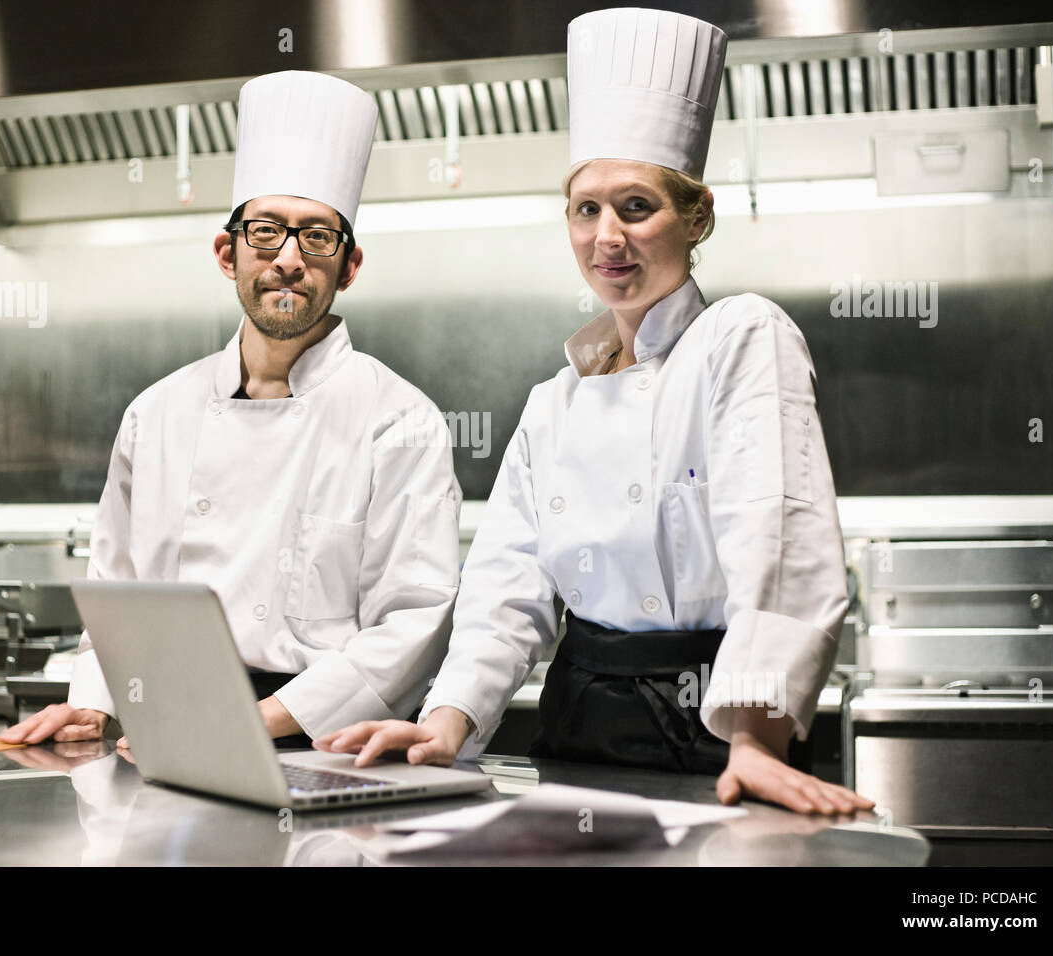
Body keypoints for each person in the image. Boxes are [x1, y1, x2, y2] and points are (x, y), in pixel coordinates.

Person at [315, 8, 875, 816]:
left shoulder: (741, 336)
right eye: (586, 209)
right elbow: (506, 584)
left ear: (697, 216)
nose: (607, 237)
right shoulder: (556, 399)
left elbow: (779, 533)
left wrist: (756, 739)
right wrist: (445, 721)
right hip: (579, 727)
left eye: (636, 206)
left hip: (713, 729)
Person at [3, 71, 461, 749]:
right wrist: (95, 706)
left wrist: (254, 724)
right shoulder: (155, 415)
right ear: (228, 253)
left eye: (316, 238)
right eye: (266, 232)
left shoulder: (400, 421)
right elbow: (116, 591)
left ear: (350, 265)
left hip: (322, 740)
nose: (288, 259)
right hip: (168, 735)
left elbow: (415, 621)